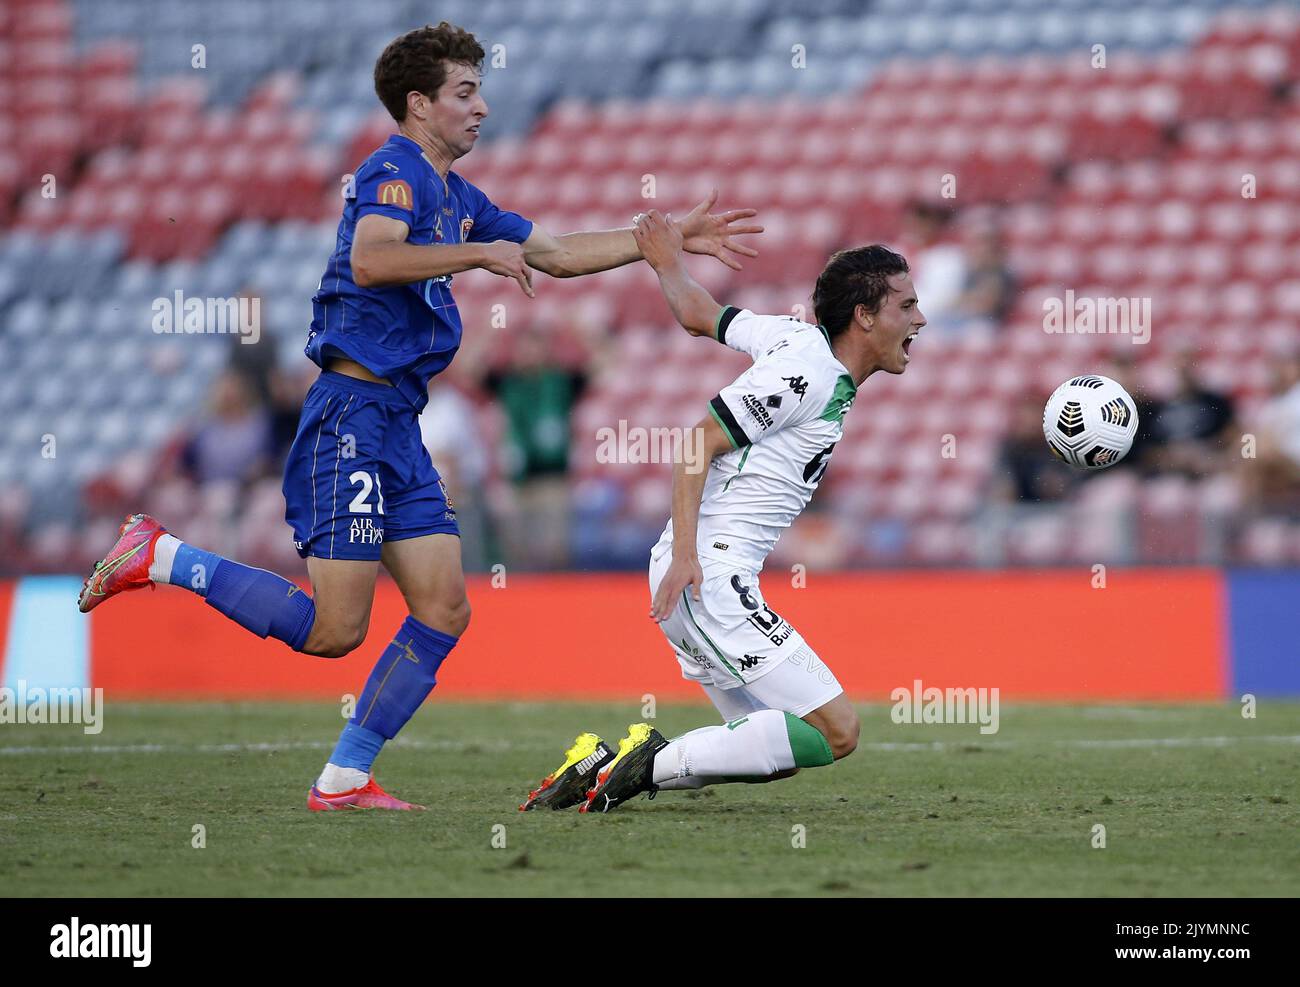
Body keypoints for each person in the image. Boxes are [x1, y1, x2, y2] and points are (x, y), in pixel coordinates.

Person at [76, 22, 761, 812]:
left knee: (443, 607)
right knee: (333, 629)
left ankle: (343, 778)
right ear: (419, 104)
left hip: (397, 425)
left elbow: (561, 252)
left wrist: (660, 242)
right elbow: (373, 258)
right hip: (348, 416)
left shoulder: (457, 196)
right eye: (465, 93)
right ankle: (160, 555)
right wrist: (474, 255)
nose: (482, 108)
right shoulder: (392, 170)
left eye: (480, 91)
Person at [520, 213, 924, 813]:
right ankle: (646, 762)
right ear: (865, 317)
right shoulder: (805, 372)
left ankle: (600, 768)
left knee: (769, 749)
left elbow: (699, 314)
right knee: (836, 731)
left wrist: (667, 259)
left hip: (703, 577)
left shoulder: (794, 340)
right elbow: (695, 443)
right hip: (709, 575)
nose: (919, 319)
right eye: (907, 306)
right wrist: (688, 557)